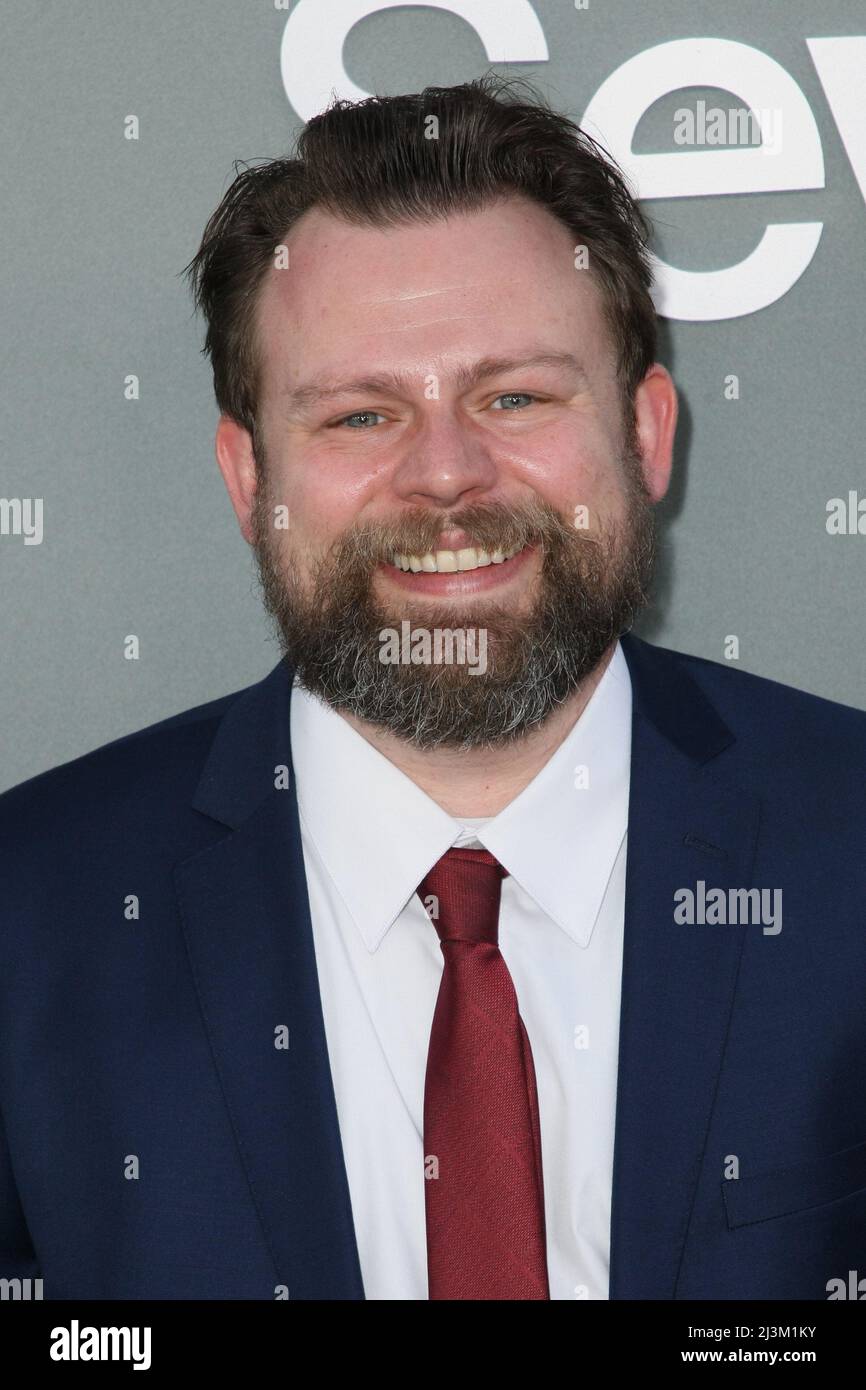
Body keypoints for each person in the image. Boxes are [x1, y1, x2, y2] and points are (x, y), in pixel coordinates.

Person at [1, 75, 864, 1302]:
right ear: (249, 482)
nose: (448, 475)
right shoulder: (31, 921)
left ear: (647, 432)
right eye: (359, 416)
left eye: (513, 396)